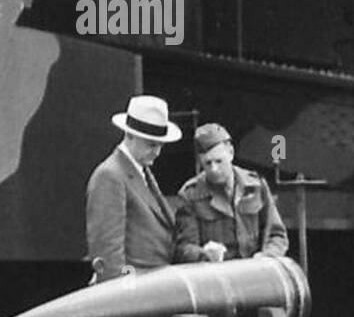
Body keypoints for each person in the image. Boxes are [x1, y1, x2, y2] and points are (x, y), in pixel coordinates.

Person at [85, 95, 183, 282]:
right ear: (129, 135)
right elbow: (108, 256)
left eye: (161, 145)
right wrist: (126, 292)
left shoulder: (140, 171)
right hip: (135, 292)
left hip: (151, 287)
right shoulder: (110, 176)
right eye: (151, 144)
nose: (158, 152)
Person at [175, 123, 289, 264]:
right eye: (208, 163)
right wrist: (205, 254)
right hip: (216, 277)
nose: (214, 169)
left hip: (255, 274)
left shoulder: (255, 186)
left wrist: (267, 257)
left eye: (218, 161)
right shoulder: (191, 195)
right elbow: (183, 248)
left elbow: (276, 234)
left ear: (231, 153)